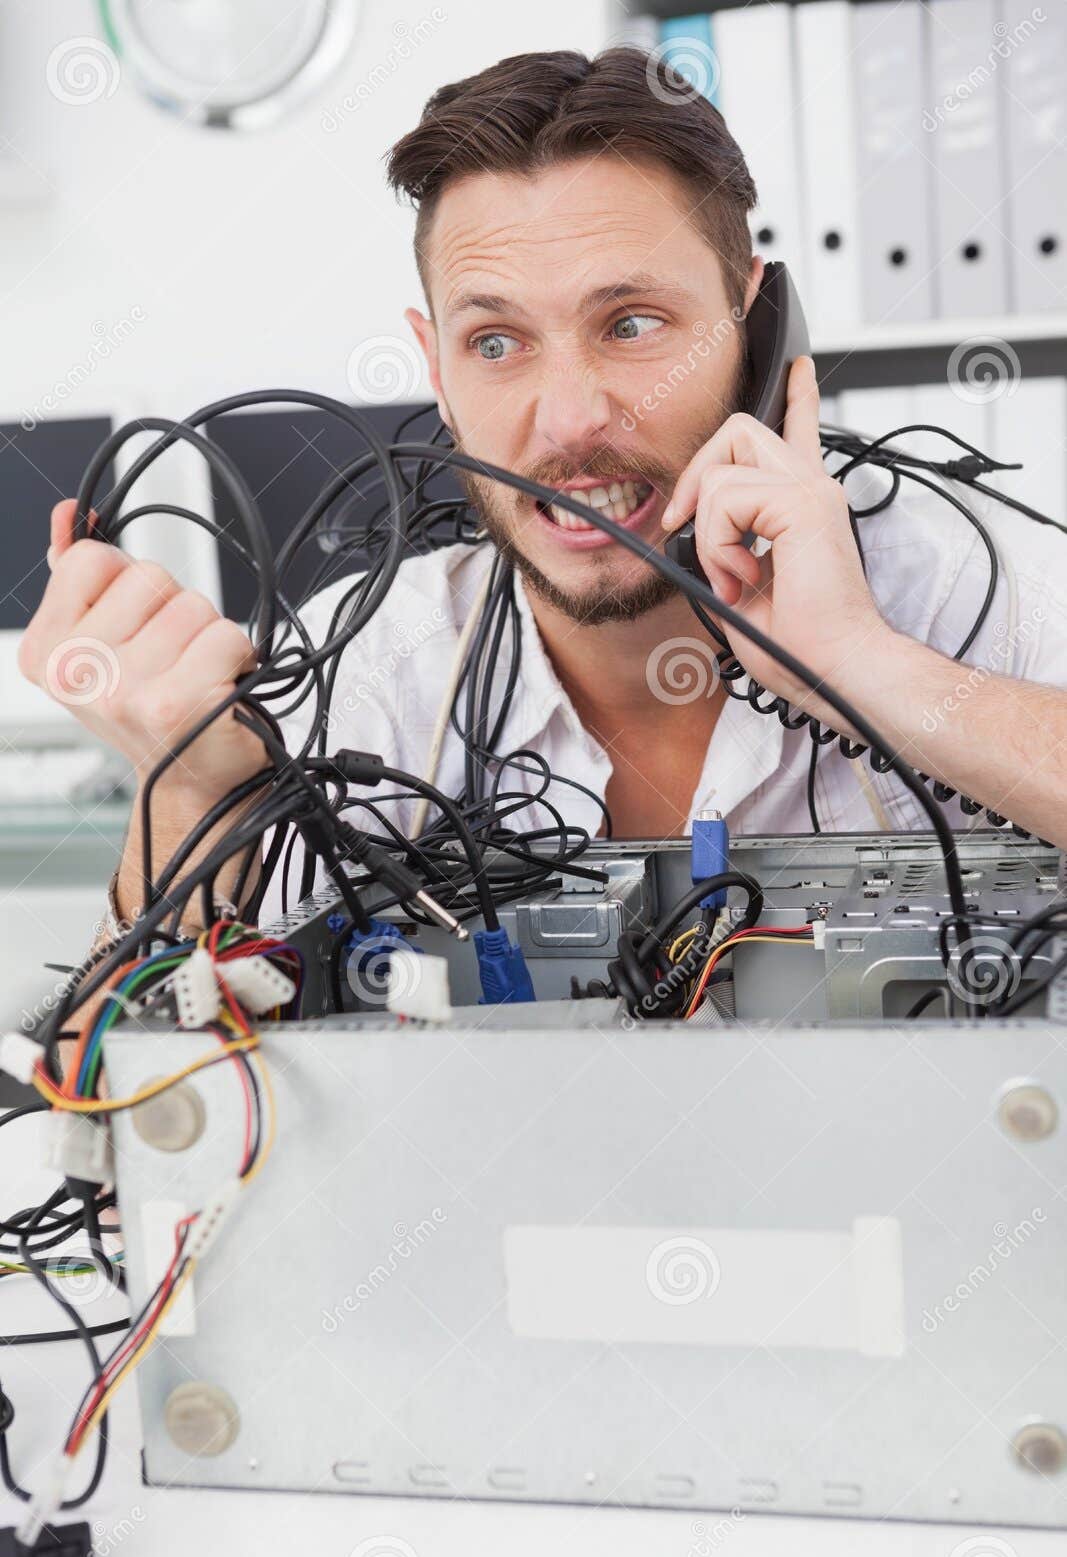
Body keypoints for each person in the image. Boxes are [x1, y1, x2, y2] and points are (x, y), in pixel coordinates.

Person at [17, 47, 1067, 947]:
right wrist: (198, 796)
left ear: (753, 328)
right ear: (435, 367)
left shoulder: (974, 587)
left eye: (631, 324)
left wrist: (863, 665)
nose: (567, 419)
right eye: (496, 342)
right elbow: (123, 1122)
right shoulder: (373, 668)